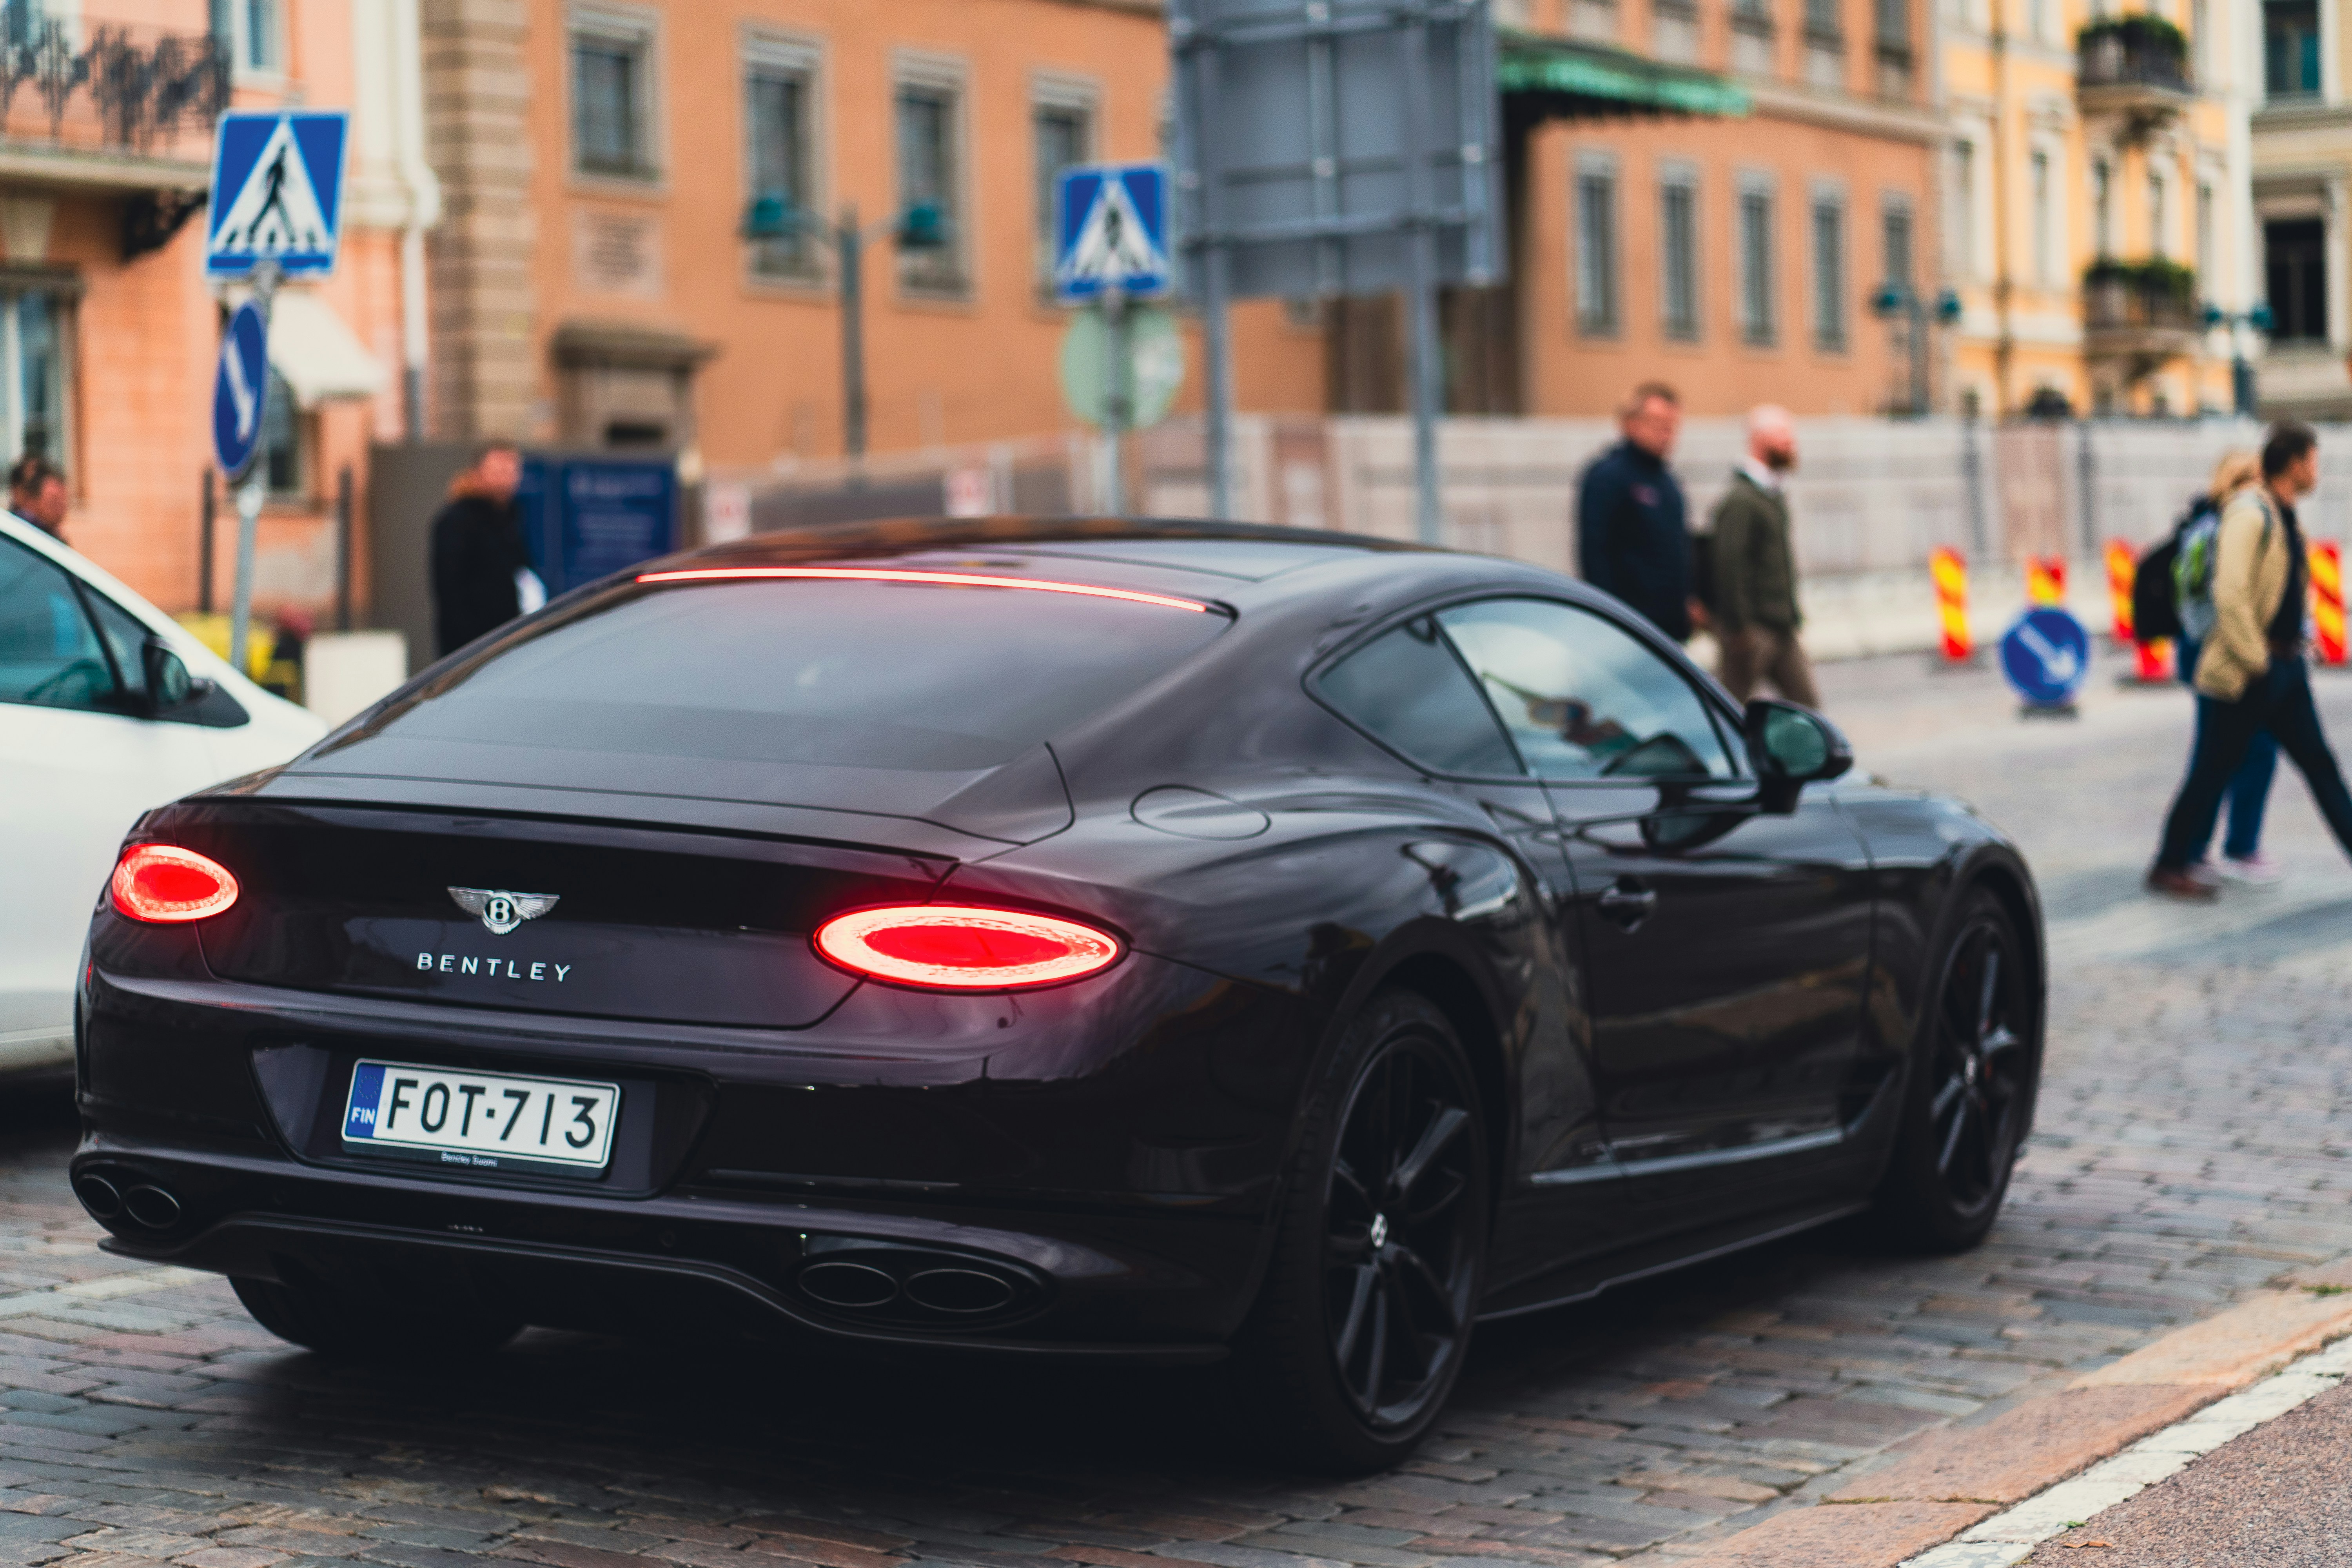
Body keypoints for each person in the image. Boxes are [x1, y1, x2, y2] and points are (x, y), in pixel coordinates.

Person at [2149, 422, 2352, 900]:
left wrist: (2301, 639)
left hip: (2286, 669)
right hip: (2252, 672)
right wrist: (2256, 660)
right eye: (2314, 461)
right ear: (2296, 463)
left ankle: (2176, 859)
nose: (2317, 471)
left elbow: (2279, 590)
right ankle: (2169, 863)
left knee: (2320, 765)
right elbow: (2231, 591)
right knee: (2212, 769)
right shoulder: (2249, 513)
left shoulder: (2283, 514)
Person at [2168, 451, 2281, 884]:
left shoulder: (2202, 525)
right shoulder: (2233, 526)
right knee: (2246, 751)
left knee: (2221, 752)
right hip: (2226, 650)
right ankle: (2230, 848)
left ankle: (2202, 850)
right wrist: (2253, 654)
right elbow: (2232, 596)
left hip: (2204, 648)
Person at [1708, 404, 1818, 708]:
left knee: (1810, 713)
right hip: (1754, 631)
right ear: (1759, 439)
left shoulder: (1771, 494)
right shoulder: (1742, 500)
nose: (1791, 444)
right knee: (1726, 708)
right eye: (1783, 436)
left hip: (1782, 627)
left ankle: (1809, 756)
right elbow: (1729, 565)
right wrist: (1739, 628)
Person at [1577, 382, 1693, 642]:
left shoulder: (1668, 482)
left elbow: (1679, 550)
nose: (1667, 433)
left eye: (1672, 425)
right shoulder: (1608, 477)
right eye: (1658, 423)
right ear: (1631, 424)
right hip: (1630, 627)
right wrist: (1611, 620)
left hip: (1670, 629)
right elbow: (1594, 555)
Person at [428, 440, 537, 657]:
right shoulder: (456, 522)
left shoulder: (510, 516)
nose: (505, 479)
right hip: (471, 651)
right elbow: (449, 592)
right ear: (478, 473)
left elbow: (520, 572)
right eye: (498, 471)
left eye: (511, 471)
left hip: (507, 642)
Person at [7, 455, 68, 539]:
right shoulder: (21, 532)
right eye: (53, 502)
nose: (60, 509)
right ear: (31, 501)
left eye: (63, 502)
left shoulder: (53, 535)